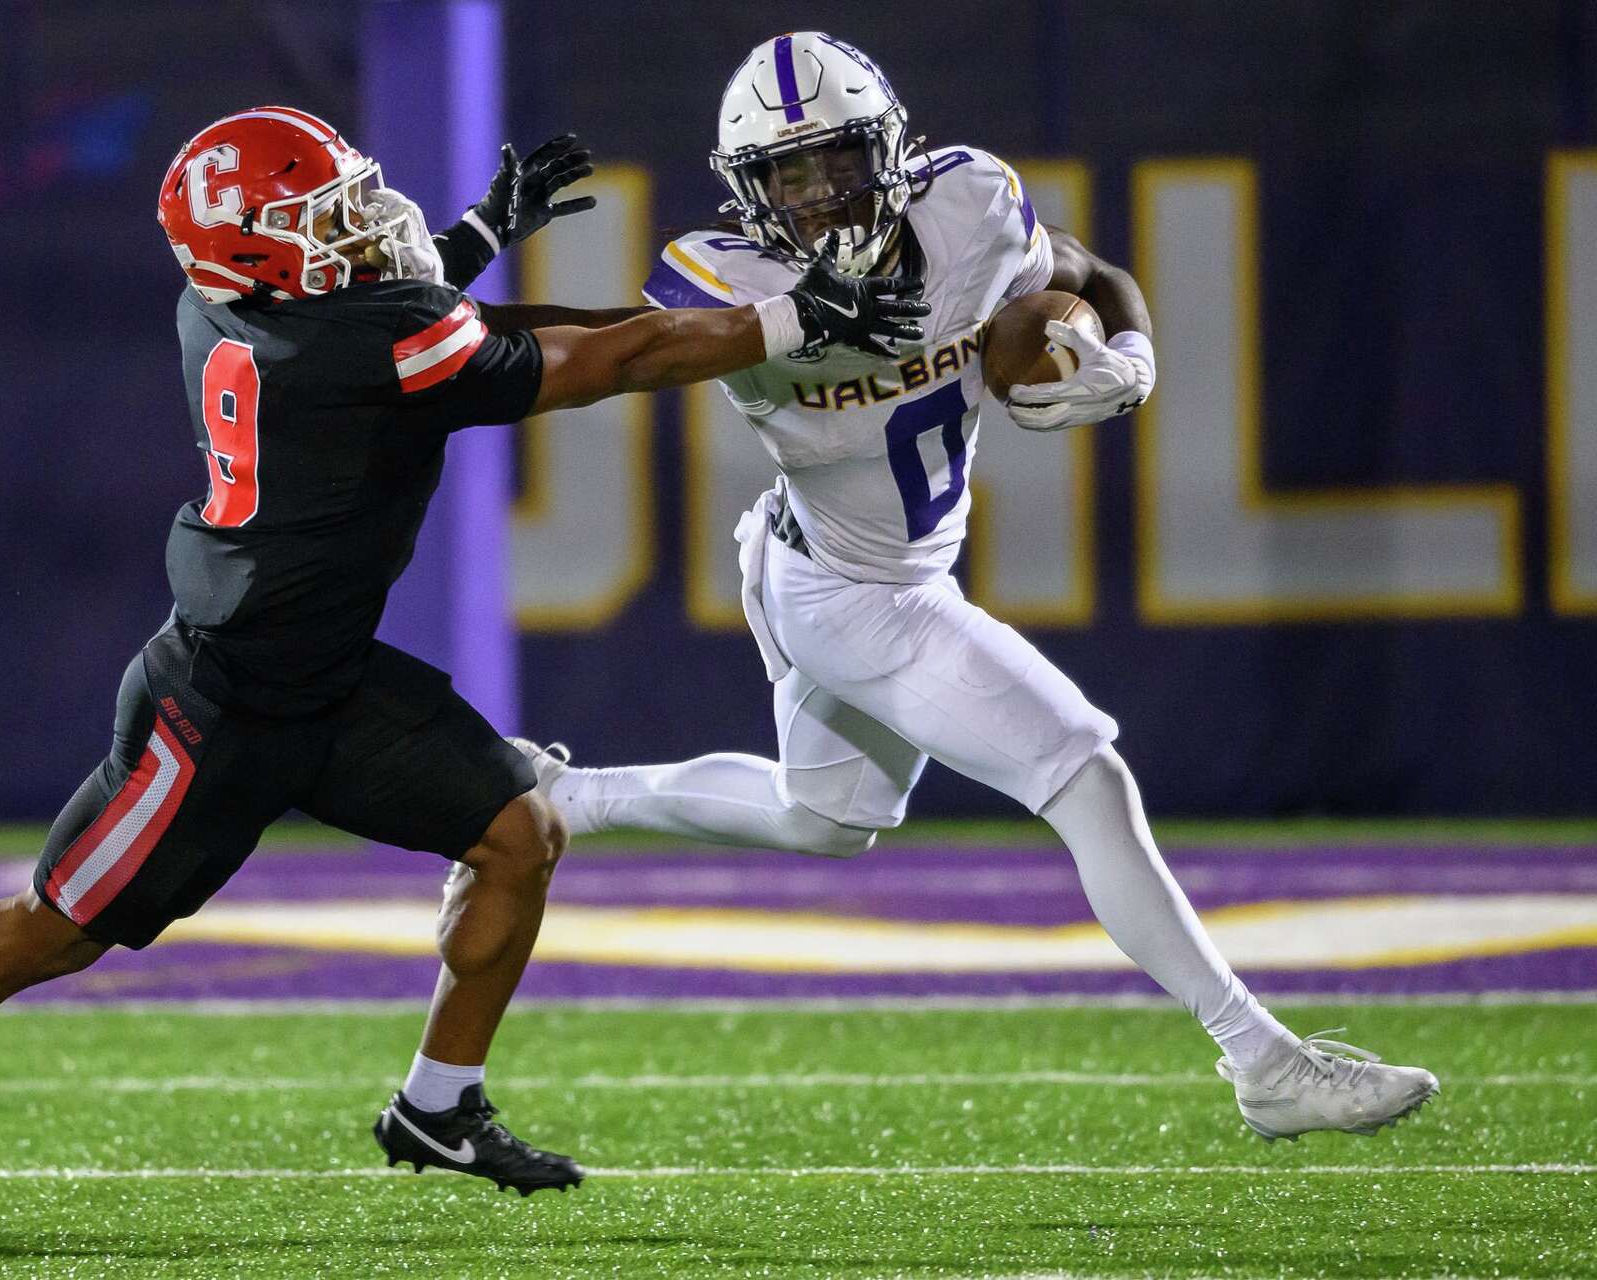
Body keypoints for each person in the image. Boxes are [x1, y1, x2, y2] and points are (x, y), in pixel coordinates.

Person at [0, 103, 928, 1218]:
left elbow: (402, 322)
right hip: (217, 709)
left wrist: (471, 235)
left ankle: (438, 1103)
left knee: (520, 832)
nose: (361, 224)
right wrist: (791, 318)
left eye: (352, 200)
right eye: (325, 218)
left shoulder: (238, 304)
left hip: (327, 677)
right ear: (258, 252)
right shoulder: (350, 345)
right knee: (55, 929)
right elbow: (591, 361)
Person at [514, 34, 1440, 1142]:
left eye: (839, 162)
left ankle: (572, 797)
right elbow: (621, 350)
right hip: (852, 593)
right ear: (746, 194)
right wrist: (790, 321)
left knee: (828, 817)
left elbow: (1088, 275)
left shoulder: (970, 206)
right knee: (1084, 774)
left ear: (894, 147)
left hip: (818, 561)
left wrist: (1129, 358)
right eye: (787, 176)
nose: (817, 200)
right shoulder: (734, 275)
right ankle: (1264, 1058)